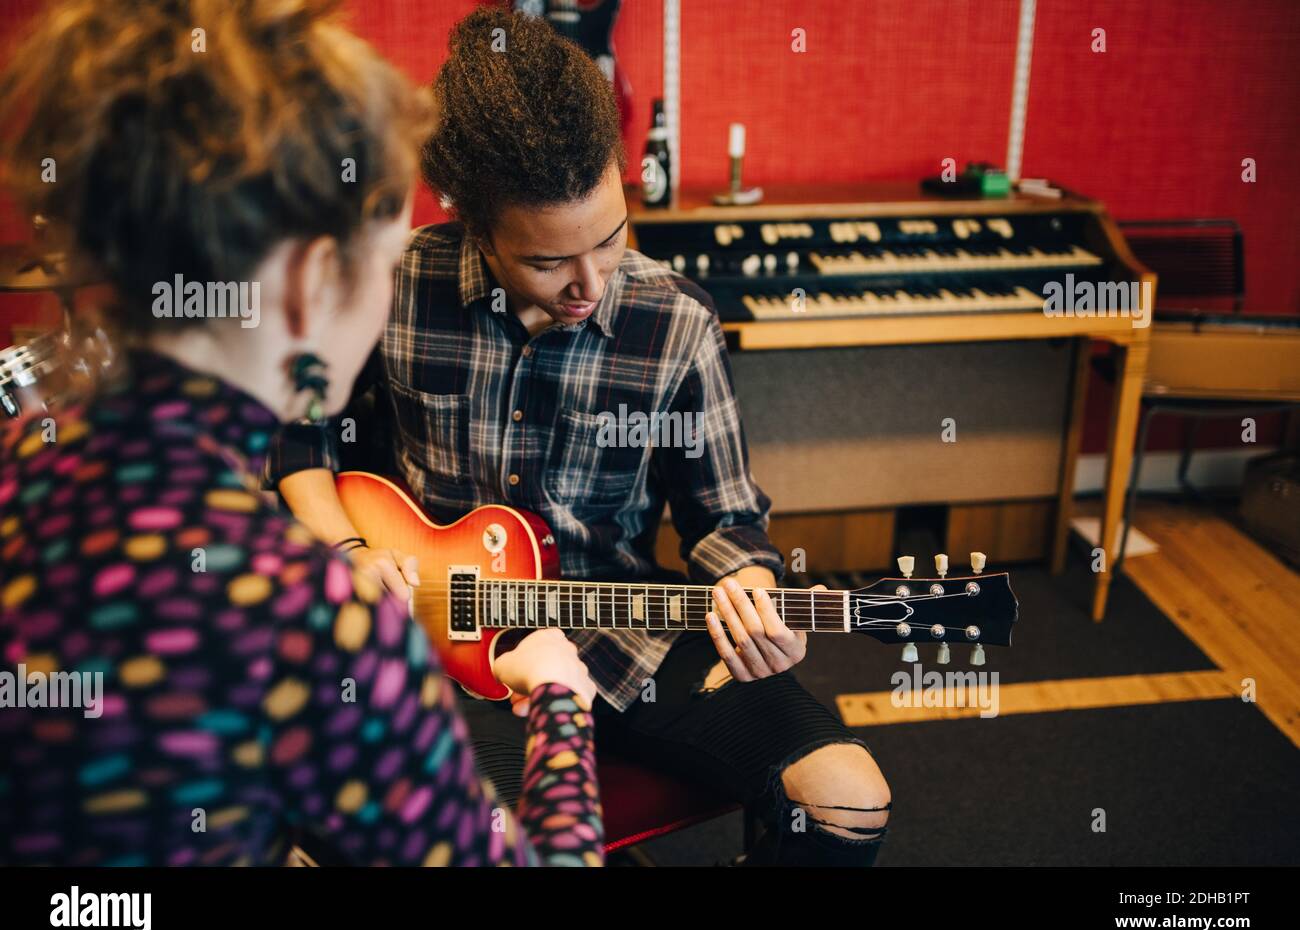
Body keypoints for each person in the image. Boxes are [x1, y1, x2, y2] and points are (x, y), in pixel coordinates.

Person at [271, 7, 891, 866]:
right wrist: (343, 548)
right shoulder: (394, 283)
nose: (590, 284)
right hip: (430, 646)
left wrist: (750, 582)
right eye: (547, 261)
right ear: (477, 229)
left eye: (610, 238)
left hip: (613, 625)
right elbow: (301, 442)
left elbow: (722, 519)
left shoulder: (675, 320)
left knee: (847, 800)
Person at [0, 0, 602, 867]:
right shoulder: (309, 614)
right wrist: (557, 699)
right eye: (387, 264)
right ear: (312, 283)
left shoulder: (27, 462)